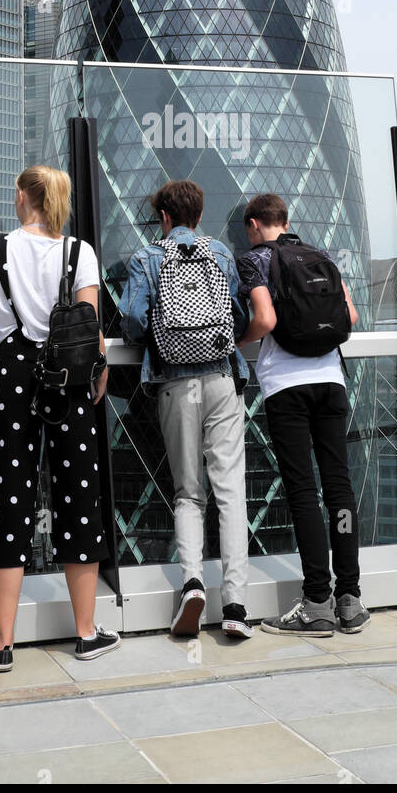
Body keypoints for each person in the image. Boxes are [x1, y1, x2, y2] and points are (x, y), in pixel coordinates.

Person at [0, 165, 119, 668]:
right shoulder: (80, 253)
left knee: (11, 498)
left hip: (13, 379)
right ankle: (86, 633)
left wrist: (0, 341)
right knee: (78, 493)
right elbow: (91, 331)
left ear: (21, 197)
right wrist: (100, 370)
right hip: (68, 380)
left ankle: (3, 645)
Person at [119, 180, 253, 639]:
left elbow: (134, 321)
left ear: (164, 217)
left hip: (175, 383)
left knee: (188, 493)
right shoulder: (219, 254)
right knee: (230, 491)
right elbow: (237, 316)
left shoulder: (146, 258)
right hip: (220, 377)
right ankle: (235, 605)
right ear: (199, 214)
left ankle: (193, 583)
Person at [236, 192, 370, 637]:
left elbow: (266, 319)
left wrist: (238, 341)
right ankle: (350, 600)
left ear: (254, 223)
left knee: (302, 491)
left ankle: (317, 604)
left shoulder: (255, 259)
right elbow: (348, 316)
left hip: (286, 386)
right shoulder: (320, 255)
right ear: (286, 220)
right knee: (339, 487)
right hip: (331, 379)